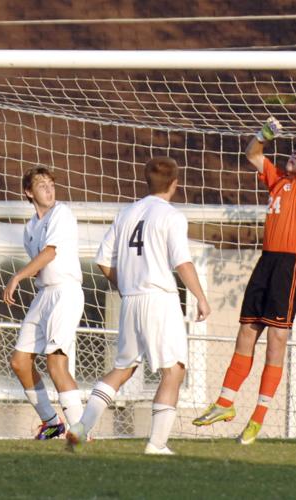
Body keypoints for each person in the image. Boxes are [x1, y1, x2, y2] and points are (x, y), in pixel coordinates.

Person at [191, 90, 296, 444]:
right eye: (293, 153)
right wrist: (263, 134)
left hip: (289, 264)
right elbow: (253, 154)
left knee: (277, 338)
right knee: (247, 330)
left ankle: (258, 417)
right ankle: (225, 403)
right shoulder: (278, 180)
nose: (294, 157)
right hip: (266, 261)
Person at [67, 156, 211, 455]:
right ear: (175, 184)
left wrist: (126, 286)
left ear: (147, 181)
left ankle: (81, 427)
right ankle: (157, 444)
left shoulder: (127, 212)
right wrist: (200, 297)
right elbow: (182, 262)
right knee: (174, 370)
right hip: (159, 299)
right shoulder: (171, 216)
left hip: (131, 301)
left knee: (123, 368)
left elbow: (103, 260)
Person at [3, 166, 85, 440]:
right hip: (44, 295)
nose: (49, 190)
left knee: (56, 363)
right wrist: (26, 274)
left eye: (51, 184)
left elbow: (50, 253)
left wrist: (17, 276)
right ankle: (52, 423)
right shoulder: (30, 228)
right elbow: (39, 265)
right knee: (19, 362)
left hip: (65, 292)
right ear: (29, 192)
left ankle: (81, 431)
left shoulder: (62, 213)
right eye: (42, 185)